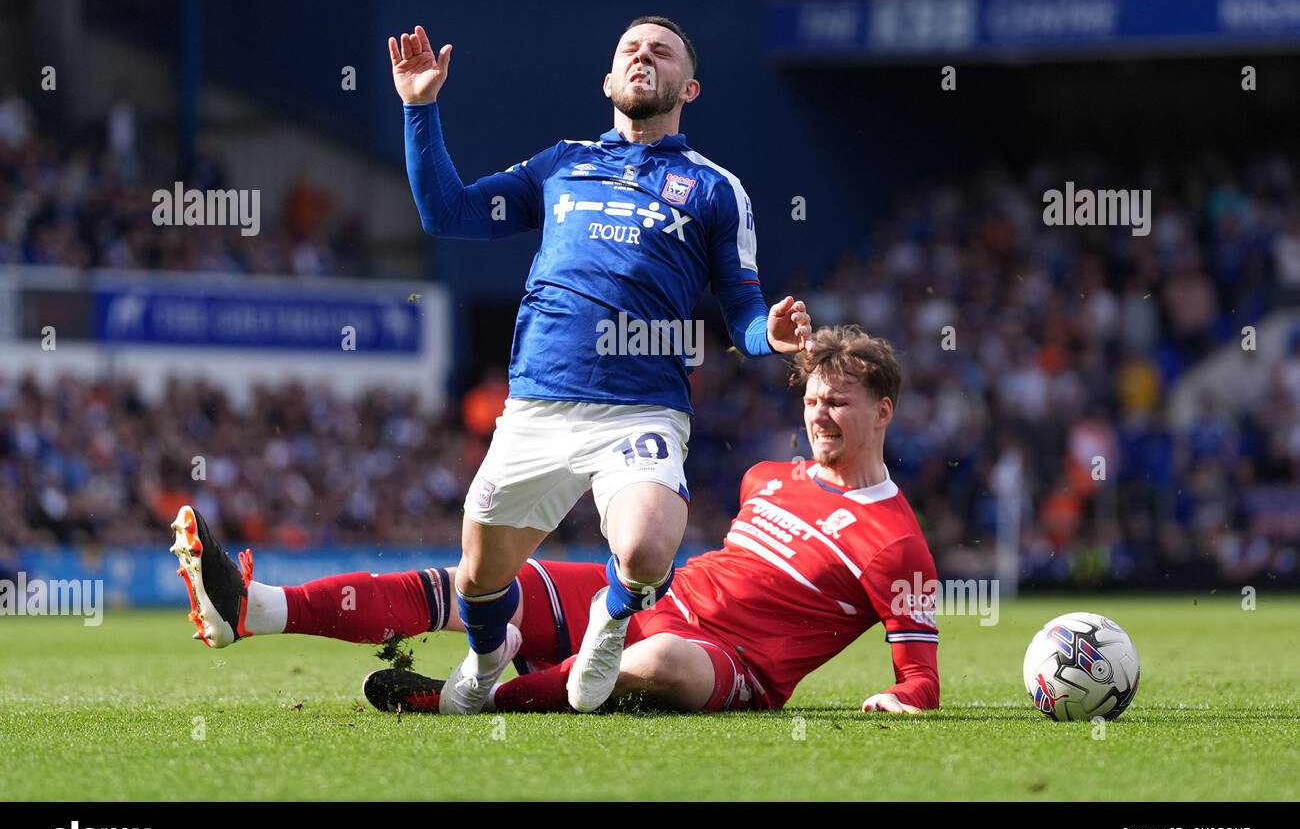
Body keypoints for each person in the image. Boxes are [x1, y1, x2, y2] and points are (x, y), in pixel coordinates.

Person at [375, 15, 810, 713]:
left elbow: (746, 312)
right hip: (538, 407)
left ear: (688, 86)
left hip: (641, 408)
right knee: (479, 580)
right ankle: (489, 658)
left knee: (642, 550)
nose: (644, 58)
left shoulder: (715, 189)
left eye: (661, 52)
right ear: (608, 80)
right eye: (630, 50)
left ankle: (609, 628)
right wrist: (420, 106)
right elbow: (447, 212)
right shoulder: (560, 164)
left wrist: (774, 336)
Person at [169, 326, 940, 715]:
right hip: (656, 598)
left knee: (659, 662)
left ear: (883, 411)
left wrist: (902, 702)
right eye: (811, 400)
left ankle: (464, 701)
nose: (820, 414)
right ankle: (257, 609)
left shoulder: (896, 543)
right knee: (474, 581)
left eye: (838, 401)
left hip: (730, 661)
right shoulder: (766, 478)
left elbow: (920, 684)